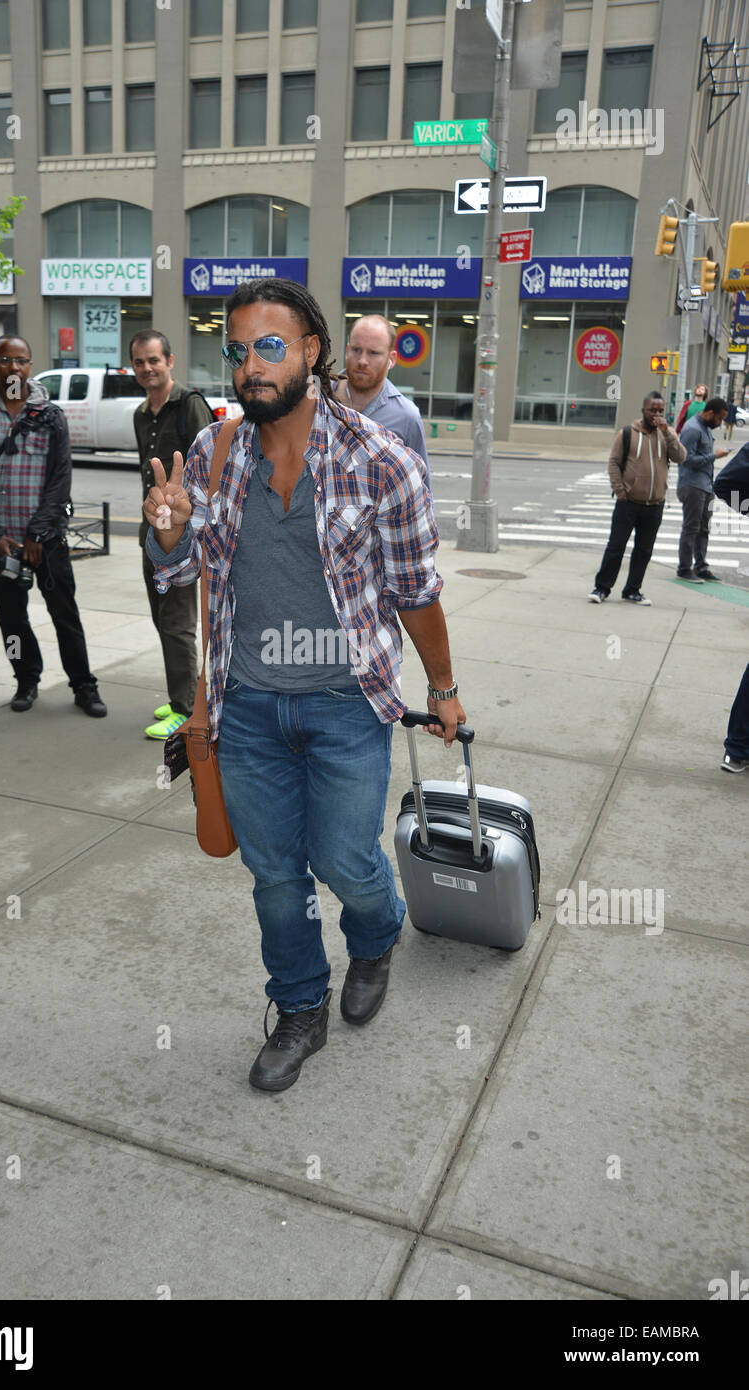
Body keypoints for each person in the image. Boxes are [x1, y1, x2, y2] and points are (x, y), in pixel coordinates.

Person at [143, 278, 465, 1093]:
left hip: (345, 702)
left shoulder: (380, 459)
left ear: (312, 351)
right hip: (246, 705)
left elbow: (416, 590)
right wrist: (170, 529)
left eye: (271, 346)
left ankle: (377, 929)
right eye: (239, 350)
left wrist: (445, 686)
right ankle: (297, 1007)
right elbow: (185, 569)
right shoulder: (219, 452)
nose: (252, 365)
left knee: (346, 862)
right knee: (277, 875)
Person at [0, 336, 106, 717]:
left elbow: (60, 479)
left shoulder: (50, 415)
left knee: (65, 615)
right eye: (5, 359)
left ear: (30, 365)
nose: (13, 367)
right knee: (11, 620)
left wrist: (37, 533)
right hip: (1, 542)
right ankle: (25, 679)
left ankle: (83, 685)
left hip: (47, 541)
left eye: (20, 360)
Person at [130, 330, 215, 740]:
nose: (147, 368)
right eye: (140, 362)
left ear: (170, 361)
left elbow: (211, 467)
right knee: (162, 619)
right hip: (153, 534)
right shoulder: (141, 414)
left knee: (179, 622)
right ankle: (179, 694)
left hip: (183, 538)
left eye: (154, 361)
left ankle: (186, 709)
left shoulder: (190, 406)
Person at [588, 392, 685, 606]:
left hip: (655, 505)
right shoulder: (627, 434)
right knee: (616, 547)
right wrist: (620, 491)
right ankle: (602, 588)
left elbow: (680, 457)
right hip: (629, 503)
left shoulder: (666, 434)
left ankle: (632, 590)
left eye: (660, 410)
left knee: (643, 551)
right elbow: (613, 462)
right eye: (653, 410)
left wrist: (667, 432)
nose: (657, 414)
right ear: (643, 410)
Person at [332, 314, 431, 487]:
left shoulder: (406, 417)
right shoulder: (318, 398)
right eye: (356, 350)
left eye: (373, 353)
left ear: (391, 359)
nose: (362, 360)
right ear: (347, 350)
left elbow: (420, 491)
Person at [676, 396, 729, 582]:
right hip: (692, 485)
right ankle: (684, 568)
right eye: (719, 418)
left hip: (704, 485)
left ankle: (700, 567)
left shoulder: (705, 428)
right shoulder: (692, 429)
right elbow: (686, 459)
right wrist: (714, 456)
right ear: (710, 413)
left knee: (703, 528)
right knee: (691, 528)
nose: (720, 422)